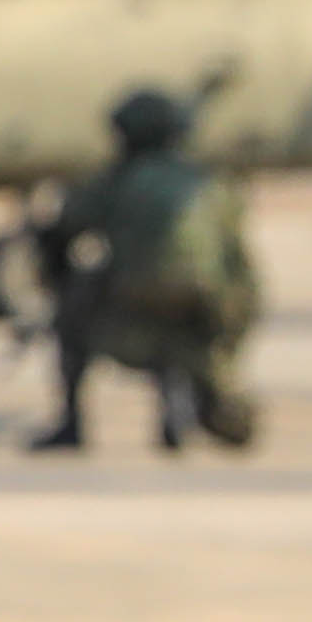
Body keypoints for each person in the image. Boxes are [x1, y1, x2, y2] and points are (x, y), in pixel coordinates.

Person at [23, 85, 261, 453]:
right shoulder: (210, 182)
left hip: (133, 297)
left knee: (72, 320)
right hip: (206, 305)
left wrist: (53, 269)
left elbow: (68, 227)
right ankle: (188, 407)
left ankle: (72, 422)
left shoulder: (117, 181)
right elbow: (236, 258)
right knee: (176, 342)